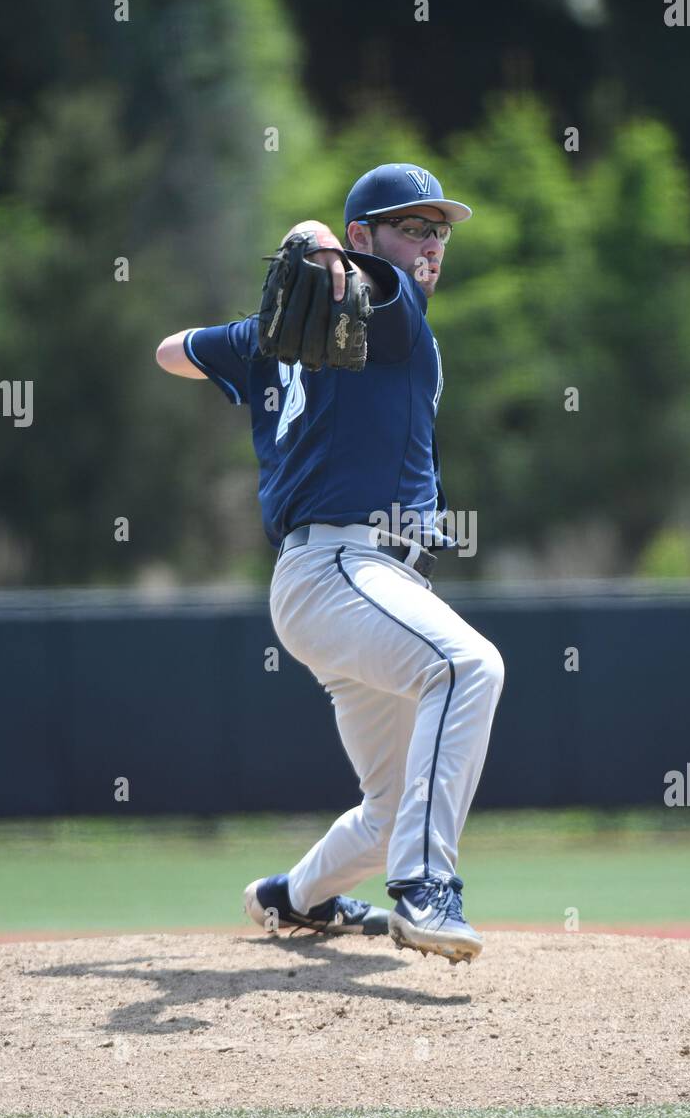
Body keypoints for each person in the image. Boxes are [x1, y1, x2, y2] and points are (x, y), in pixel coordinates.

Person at [156, 163, 505, 965]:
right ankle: (426, 888)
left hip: (354, 585)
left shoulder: (270, 336)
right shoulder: (395, 302)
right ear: (363, 239)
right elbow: (319, 249)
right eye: (411, 227)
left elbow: (171, 350)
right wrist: (310, 243)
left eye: (439, 230)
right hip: (344, 568)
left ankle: (294, 899)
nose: (430, 245)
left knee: (387, 808)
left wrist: (256, 332)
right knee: (467, 667)